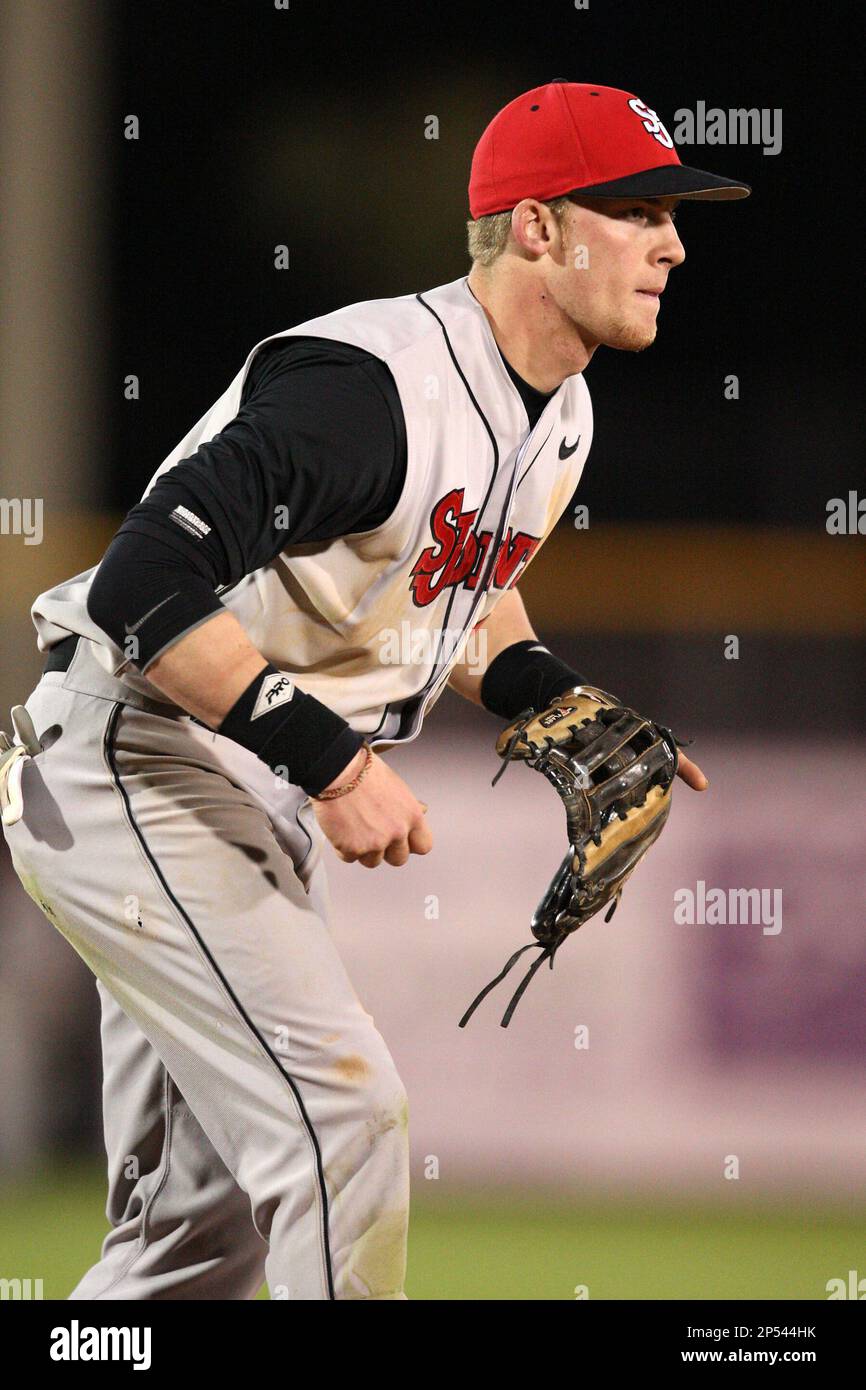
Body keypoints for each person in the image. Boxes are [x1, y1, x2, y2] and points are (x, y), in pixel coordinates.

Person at [1, 80, 747, 1300]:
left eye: (670, 212)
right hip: (131, 754)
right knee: (345, 1118)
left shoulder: (559, 413)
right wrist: (333, 762)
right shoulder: (372, 387)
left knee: (196, 1244)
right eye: (636, 209)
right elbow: (143, 579)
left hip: (218, 787)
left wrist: (550, 695)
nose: (672, 241)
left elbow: (455, 594)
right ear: (537, 229)